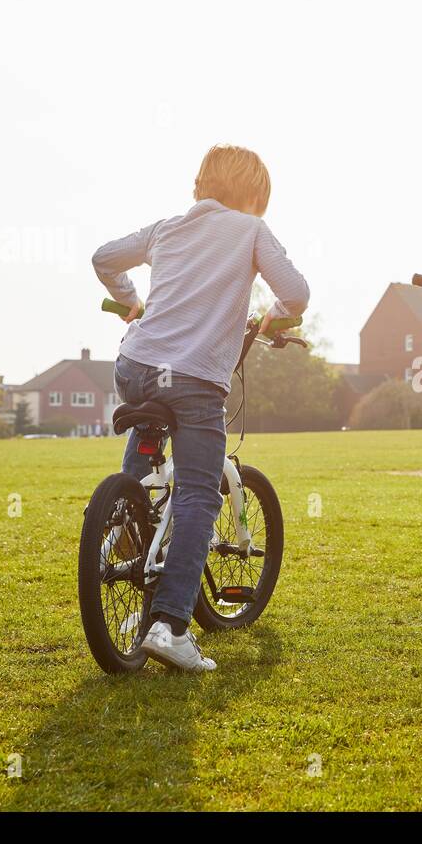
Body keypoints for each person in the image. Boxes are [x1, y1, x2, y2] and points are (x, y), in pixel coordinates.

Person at [93, 144, 310, 671]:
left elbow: (103, 258)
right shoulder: (251, 231)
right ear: (255, 196)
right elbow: (296, 292)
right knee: (197, 493)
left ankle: (124, 523)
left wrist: (132, 304)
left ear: (200, 185)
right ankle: (169, 625)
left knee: (147, 432)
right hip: (192, 379)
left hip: (135, 366)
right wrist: (272, 318)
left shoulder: (168, 227)